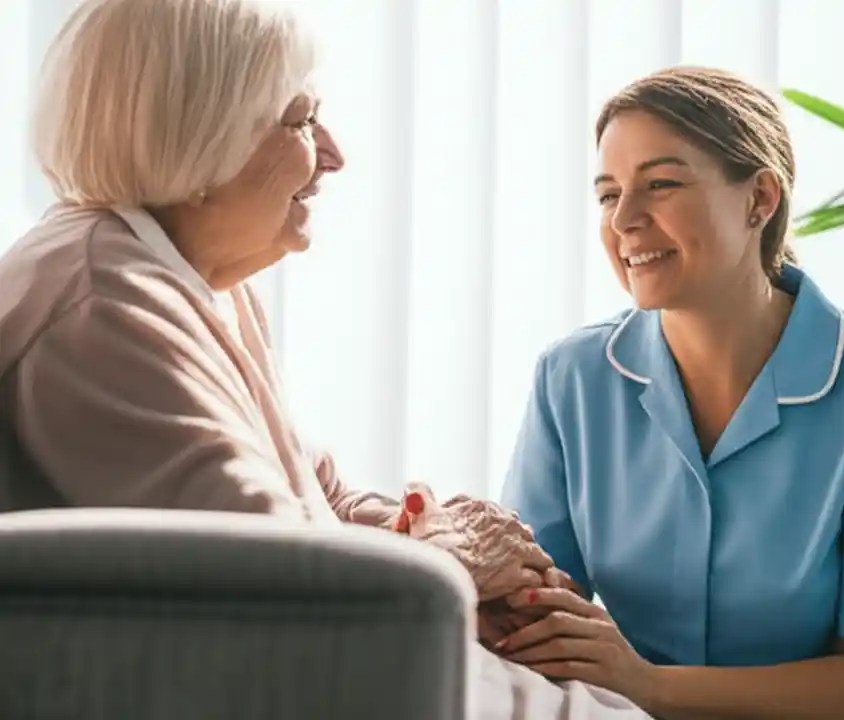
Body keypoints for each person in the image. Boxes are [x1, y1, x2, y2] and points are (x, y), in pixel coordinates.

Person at [0, 1, 651, 717]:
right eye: (302, 121)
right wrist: (452, 563)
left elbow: (320, 497)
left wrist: (439, 542)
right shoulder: (104, 303)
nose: (333, 154)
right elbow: (280, 588)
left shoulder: (195, 281)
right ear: (199, 139)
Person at [499, 66, 844, 719]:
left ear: (760, 199)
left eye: (660, 184)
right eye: (608, 195)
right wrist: (448, 558)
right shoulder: (571, 380)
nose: (625, 219)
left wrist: (650, 685)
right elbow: (533, 611)